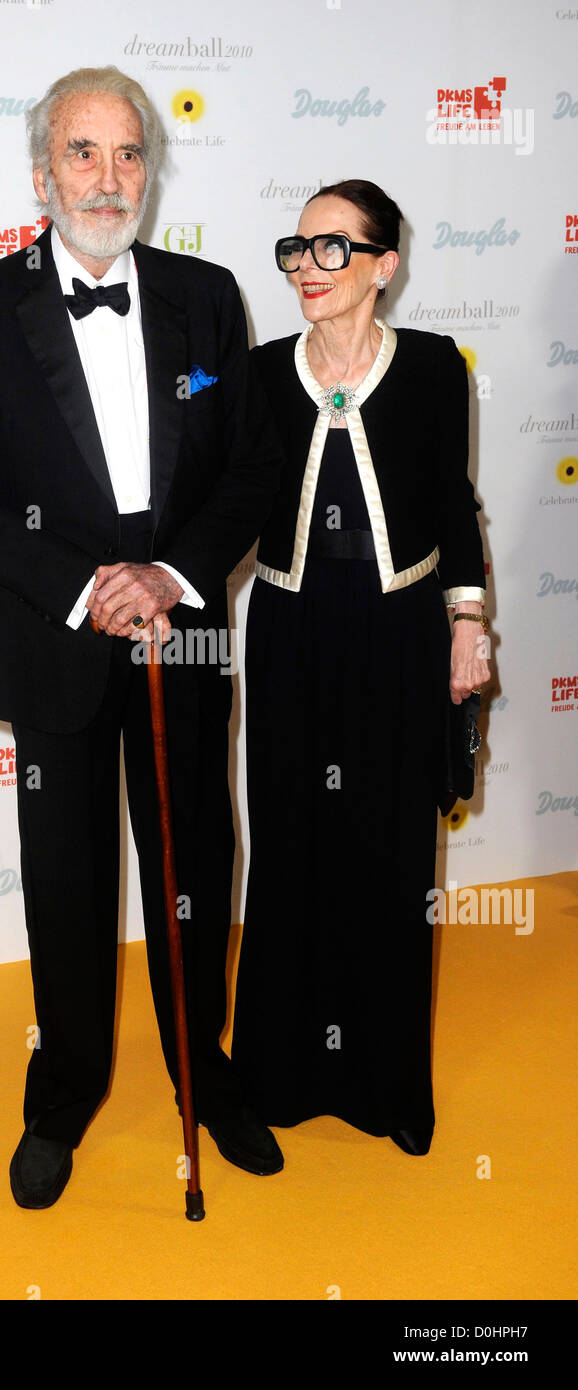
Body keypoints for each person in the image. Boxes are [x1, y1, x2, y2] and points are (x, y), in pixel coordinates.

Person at [0, 65, 283, 1208]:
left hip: (179, 624)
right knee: (65, 881)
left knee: (194, 861)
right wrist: (90, 586)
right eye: (84, 152)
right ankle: (64, 1093)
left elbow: (247, 473)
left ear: (151, 173)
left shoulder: (209, 296)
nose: (108, 175)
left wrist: (167, 575)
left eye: (129, 154)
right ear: (42, 172)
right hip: (55, 632)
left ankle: (204, 1075)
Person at [231, 180, 490, 1156]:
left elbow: (454, 504)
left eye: (334, 248)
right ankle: (281, 1076)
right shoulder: (257, 376)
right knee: (294, 843)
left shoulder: (431, 368)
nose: (309, 266)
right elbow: (221, 498)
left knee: (389, 849)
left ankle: (390, 1089)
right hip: (293, 632)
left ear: (385, 265)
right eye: (298, 247)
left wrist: (468, 624)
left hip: (400, 634)